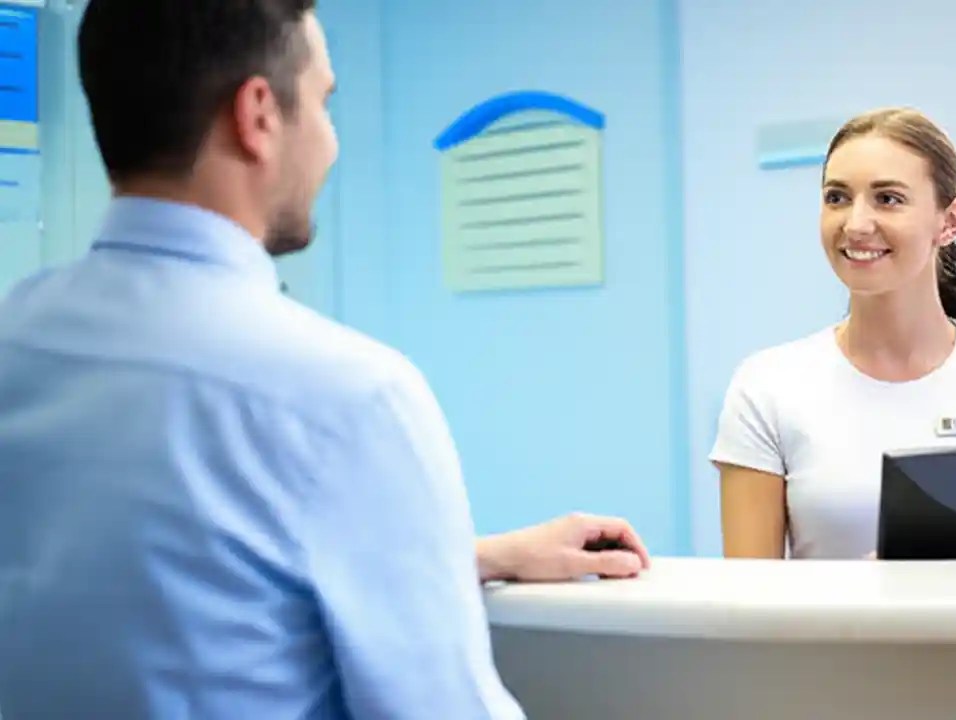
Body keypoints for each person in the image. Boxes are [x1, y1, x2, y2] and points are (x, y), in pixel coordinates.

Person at [0, 2, 648, 718]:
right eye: (323, 102)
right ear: (258, 116)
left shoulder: (17, 342)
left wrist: (475, 556)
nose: (332, 143)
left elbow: (150, 573)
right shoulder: (352, 400)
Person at [711, 107, 956, 561]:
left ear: (949, 222)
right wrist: (867, 594)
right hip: (835, 635)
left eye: (887, 198)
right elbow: (750, 603)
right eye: (837, 197)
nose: (855, 224)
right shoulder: (766, 386)